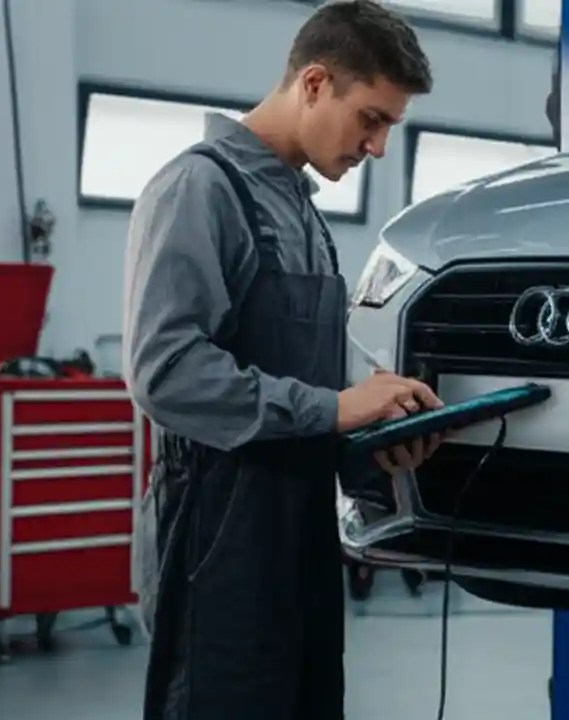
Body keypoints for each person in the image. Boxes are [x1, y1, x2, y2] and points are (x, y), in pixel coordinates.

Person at [121, 1, 438, 718]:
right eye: (373, 119)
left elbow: (310, 390)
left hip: (299, 532)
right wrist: (333, 407)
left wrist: (376, 443)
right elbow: (164, 371)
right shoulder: (199, 190)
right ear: (316, 83)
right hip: (216, 533)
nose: (379, 147)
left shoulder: (301, 210)